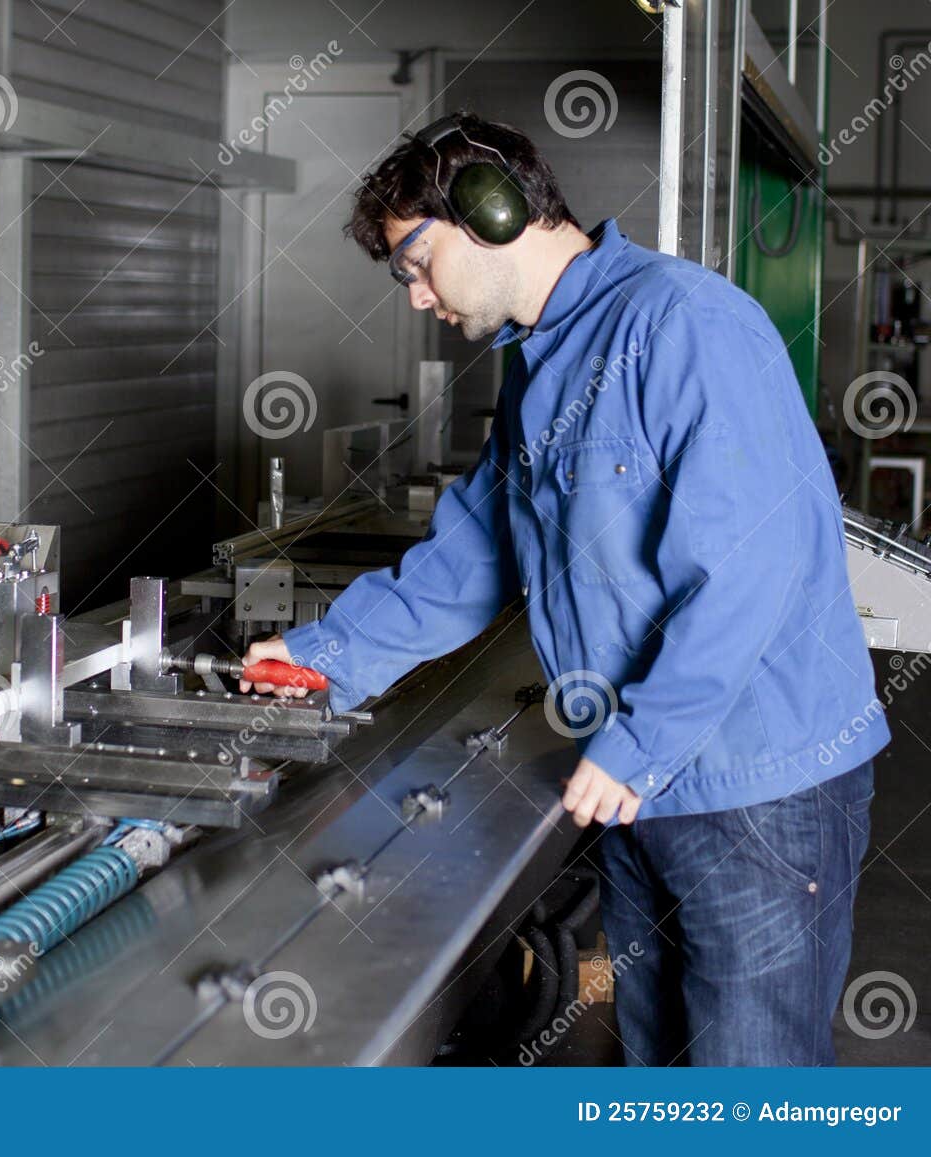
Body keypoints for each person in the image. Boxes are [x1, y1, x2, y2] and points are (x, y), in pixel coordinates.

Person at [242, 113, 884, 1066]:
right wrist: (322, 657)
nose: (416, 298)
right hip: (636, 779)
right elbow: (472, 556)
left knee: (751, 1078)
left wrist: (640, 745)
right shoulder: (545, 363)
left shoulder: (683, 325)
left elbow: (750, 568)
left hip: (754, 785)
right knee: (660, 1058)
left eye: (414, 263)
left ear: (492, 213)